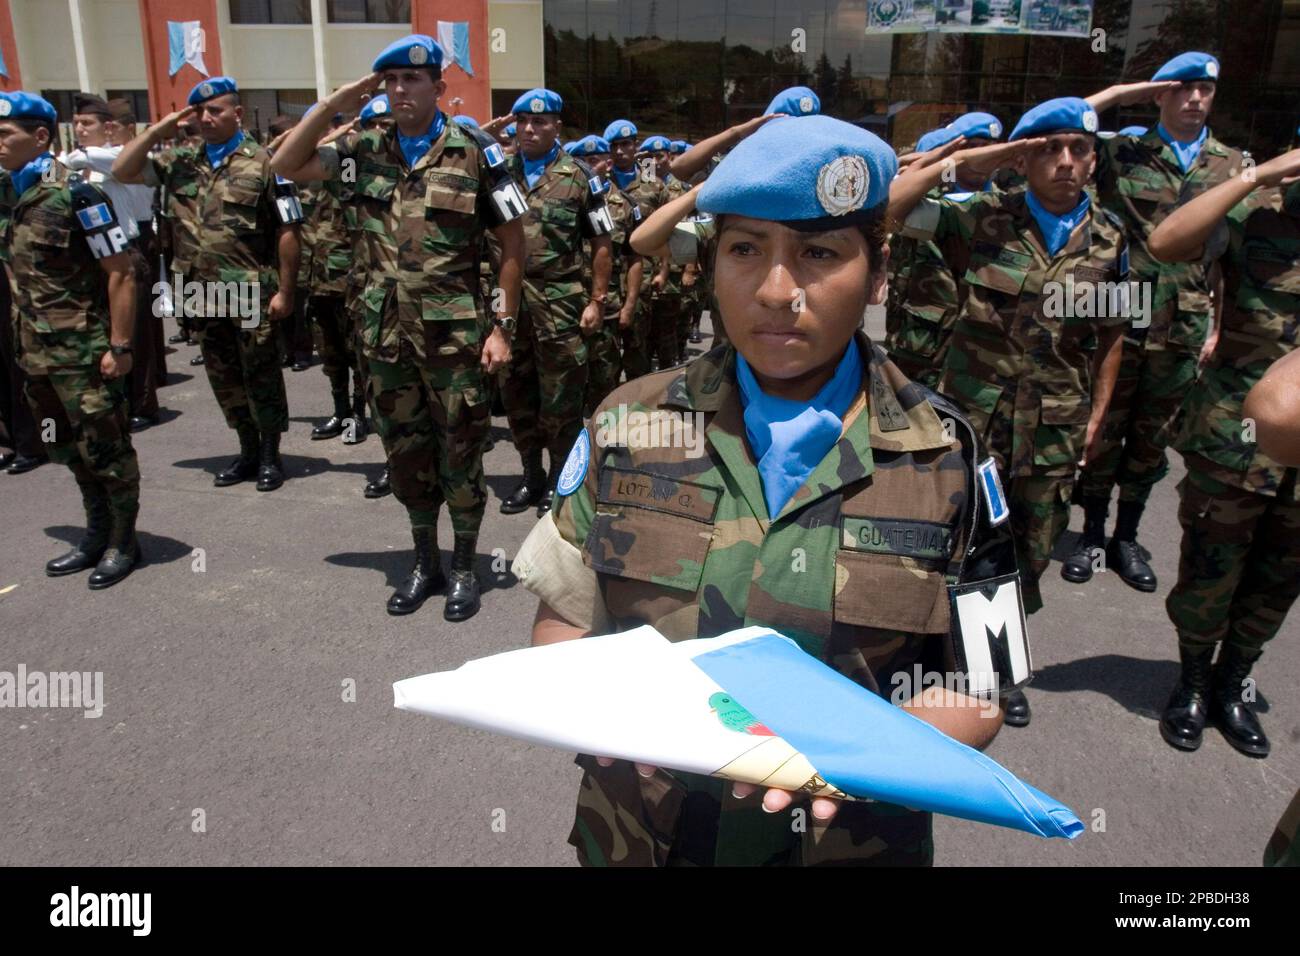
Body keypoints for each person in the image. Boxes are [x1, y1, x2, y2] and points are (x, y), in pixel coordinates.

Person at [513, 114, 1023, 867]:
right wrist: (599, 713)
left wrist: (858, 758)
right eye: (746, 250)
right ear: (711, 264)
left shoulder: (950, 456)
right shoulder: (629, 421)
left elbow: (985, 686)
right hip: (641, 836)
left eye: (819, 252)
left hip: (846, 843)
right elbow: (564, 618)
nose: (778, 290)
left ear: (878, 275)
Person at [887, 97, 1130, 728]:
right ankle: (938, 655)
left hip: (1053, 429)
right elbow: (888, 204)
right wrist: (986, 156)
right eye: (1048, 147)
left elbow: (1112, 336)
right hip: (975, 423)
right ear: (1022, 158)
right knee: (952, 541)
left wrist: (1100, 413)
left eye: (1078, 148)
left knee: (1027, 551)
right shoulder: (979, 220)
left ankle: (994, 668)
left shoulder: (1112, 240)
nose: (1066, 161)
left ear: (1095, 158)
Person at [272, 35, 526, 622]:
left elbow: (514, 240)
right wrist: (339, 100)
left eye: (411, 81)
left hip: (455, 336)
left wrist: (503, 326)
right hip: (383, 336)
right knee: (405, 453)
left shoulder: (477, 151)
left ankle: (464, 565)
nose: (398, 90)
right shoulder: (363, 146)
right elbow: (284, 164)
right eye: (388, 81)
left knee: (460, 450)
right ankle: (424, 560)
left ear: (438, 89)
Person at [1071, 52, 1247, 591]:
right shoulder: (1125, 150)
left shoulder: (1232, 165)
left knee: (1150, 437)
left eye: (1204, 89)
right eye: (1183, 88)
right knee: (1102, 424)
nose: (1195, 99)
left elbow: (1229, 257)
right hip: (1118, 310)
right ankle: (1091, 533)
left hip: (1185, 319)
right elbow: (1071, 120)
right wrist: (1125, 91)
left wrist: (1219, 324)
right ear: (1162, 95)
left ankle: (1126, 536)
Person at [1146, 145, 1300, 758]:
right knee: (1211, 570)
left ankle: (1234, 683)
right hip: (1235, 433)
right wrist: (1256, 175)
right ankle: (1192, 680)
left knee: (1280, 577)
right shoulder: (1253, 211)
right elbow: (1165, 243)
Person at [113, 76, 304, 493]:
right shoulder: (179, 162)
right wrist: (157, 131)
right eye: (198, 111)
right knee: (224, 377)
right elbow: (122, 169)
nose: (205, 118)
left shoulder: (269, 162)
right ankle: (247, 449)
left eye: (215, 110)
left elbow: (289, 230)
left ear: (237, 113)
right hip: (201, 293)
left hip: (250, 289)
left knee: (262, 374)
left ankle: (271, 454)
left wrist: (286, 292)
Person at [0, 91, 142, 587]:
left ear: (40, 137)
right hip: (34, 354)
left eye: (4, 135)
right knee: (60, 444)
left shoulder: (77, 195)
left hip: (83, 352)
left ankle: (124, 538)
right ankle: (95, 527)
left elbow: (121, 273)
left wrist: (120, 346)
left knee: (106, 447)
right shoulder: (7, 194)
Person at [495, 88, 612, 518]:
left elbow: (602, 241)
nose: (529, 129)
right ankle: (530, 476)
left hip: (561, 304)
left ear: (557, 126)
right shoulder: (499, 173)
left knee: (561, 399)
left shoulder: (581, 177)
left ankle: (560, 482)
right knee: (515, 393)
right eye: (522, 120)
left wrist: (598, 299)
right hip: (507, 305)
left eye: (540, 122)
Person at [64, 94, 165, 432]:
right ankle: (118, 397)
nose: (79, 128)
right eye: (76, 123)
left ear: (108, 128)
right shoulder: (82, 163)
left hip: (129, 248)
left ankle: (143, 402)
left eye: (87, 123)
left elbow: (67, 164)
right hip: (96, 256)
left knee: (136, 331)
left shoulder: (111, 157)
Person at [885, 111, 1003, 387]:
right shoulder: (927, 198)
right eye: (972, 148)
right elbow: (887, 208)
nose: (980, 155)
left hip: (982, 349)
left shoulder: (1008, 206)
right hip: (920, 339)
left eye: (988, 148)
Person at [567, 135, 643, 416]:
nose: (588, 166)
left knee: (605, 377)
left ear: (608, 164)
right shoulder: (567, 198)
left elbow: (635, 258)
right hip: (567, 303)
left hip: (608, 306)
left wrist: (630, 305)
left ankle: (606, 438)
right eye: (582, 161)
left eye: (594, 161)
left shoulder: (624, 205)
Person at [603, 119, 666, 382]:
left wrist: (664, 270)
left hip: (642, 277)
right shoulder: (600, 184)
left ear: (635, 146)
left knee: (637, 349)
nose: (619, 151)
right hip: (606, 277)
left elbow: (666, 232)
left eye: (625, 145)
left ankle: (638, 408)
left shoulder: (653, 184)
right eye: (614, 146)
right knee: (604, 355)